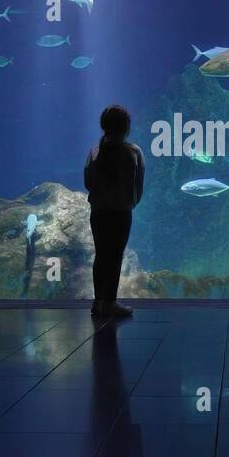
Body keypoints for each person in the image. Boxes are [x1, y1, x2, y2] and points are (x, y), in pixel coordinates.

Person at [83, 104, 144, 317]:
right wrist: (131, 202)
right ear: (127, 127)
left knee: (101, 255)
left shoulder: (95, 150)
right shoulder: (133, 151)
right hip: (121, 211)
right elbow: (139, 184)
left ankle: (98, 301)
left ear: (103, 126)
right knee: (115, 256)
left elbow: (87, 181)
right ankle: (109, 303)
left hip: (98, 210)